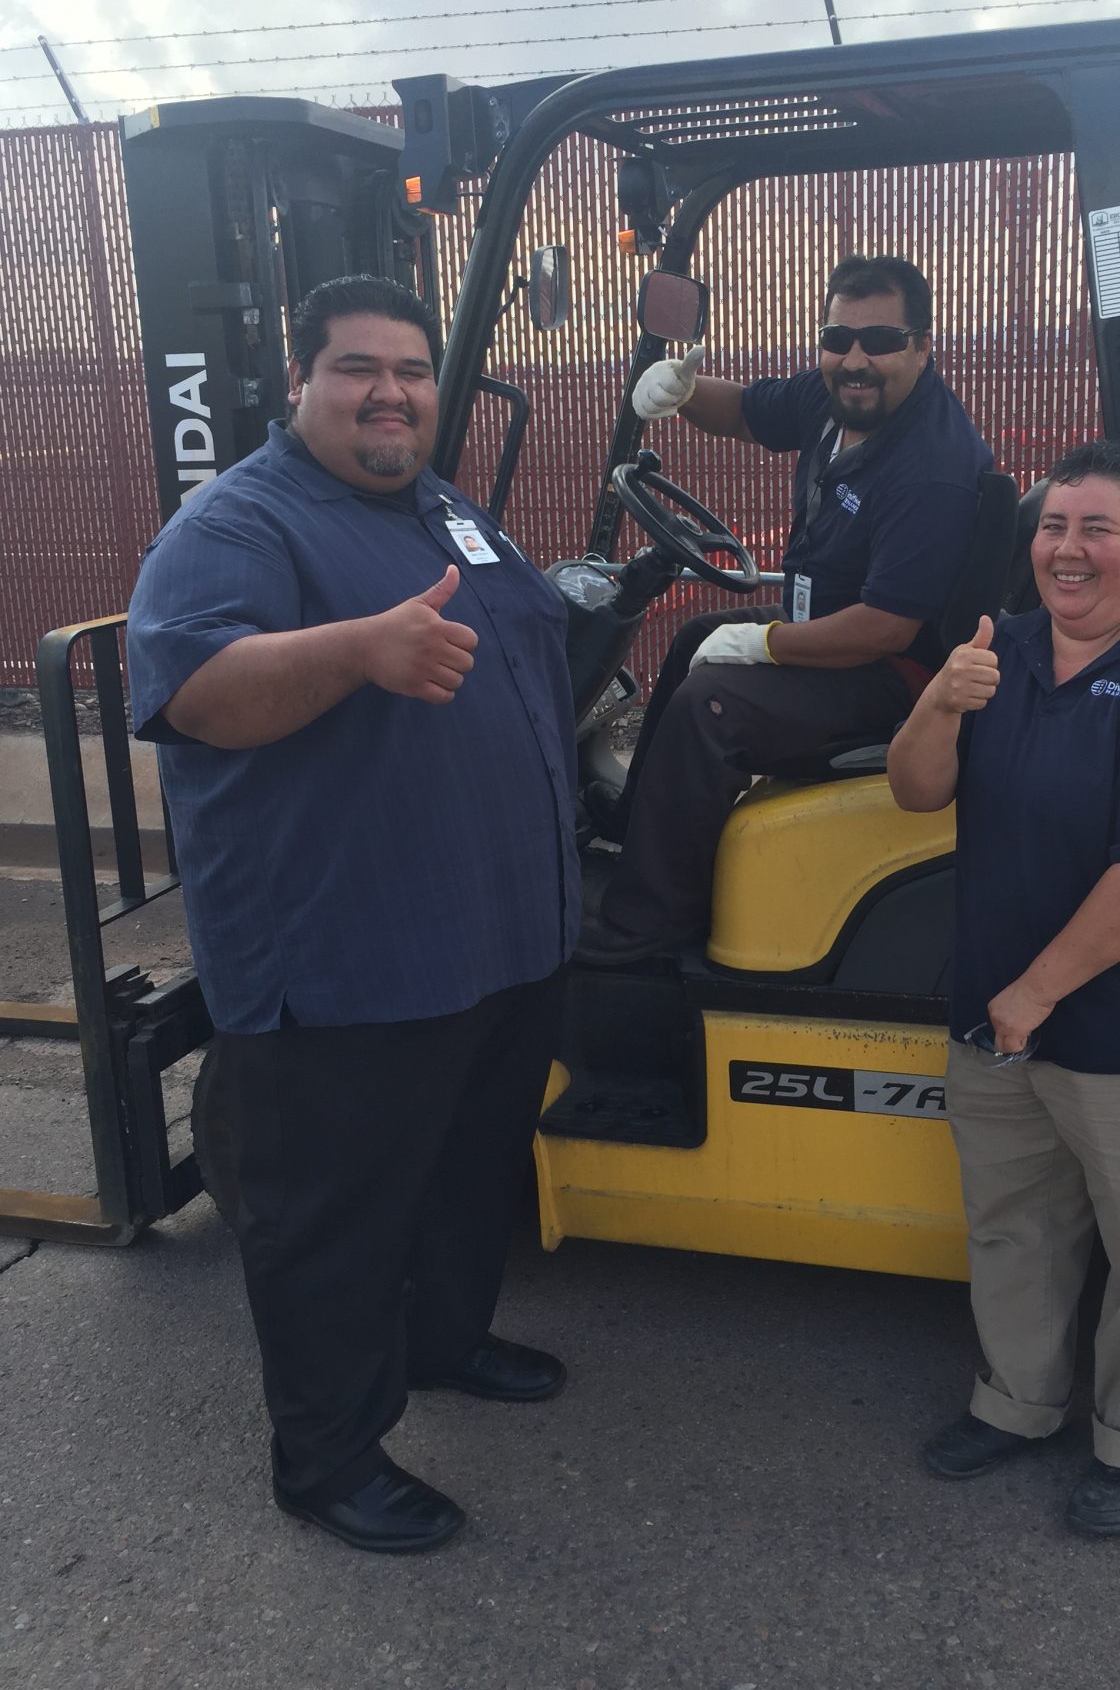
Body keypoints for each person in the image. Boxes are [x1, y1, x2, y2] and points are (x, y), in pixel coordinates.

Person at [126, 276, 580, 1556]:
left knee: (461, 1172)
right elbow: (199, 688)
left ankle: (444, 1341)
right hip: (352, 962)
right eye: (357, 369)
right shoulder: (239, 525)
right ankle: (327, 1460)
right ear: (299, 386)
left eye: (412, 370)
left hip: (494, 942)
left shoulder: (438, 503)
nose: (391, 391)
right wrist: (357, 651)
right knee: (332, 1218)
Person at [886, 438, 1120, 1539]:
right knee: (1012, 1227)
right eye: (1053, 525)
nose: (1069, 548)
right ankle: (1018, 1405)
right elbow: (915, 791)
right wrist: (942, 703)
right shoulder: (1004, 648)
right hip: (999, 1017)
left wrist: (1034, 996)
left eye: (1098, 528)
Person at [578, 254, 994, 963]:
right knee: (697, 637)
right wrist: (680, 390)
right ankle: (638, 825)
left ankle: (643, 929)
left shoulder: (931, 467)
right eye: (838, 339)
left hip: (895, 674)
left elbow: (883, 628)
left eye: (882, 341)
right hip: (829, 630)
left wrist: (766, 646)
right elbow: (744, 411)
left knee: (710, 706)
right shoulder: (835, 402)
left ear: (922, 346)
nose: (855, 359)